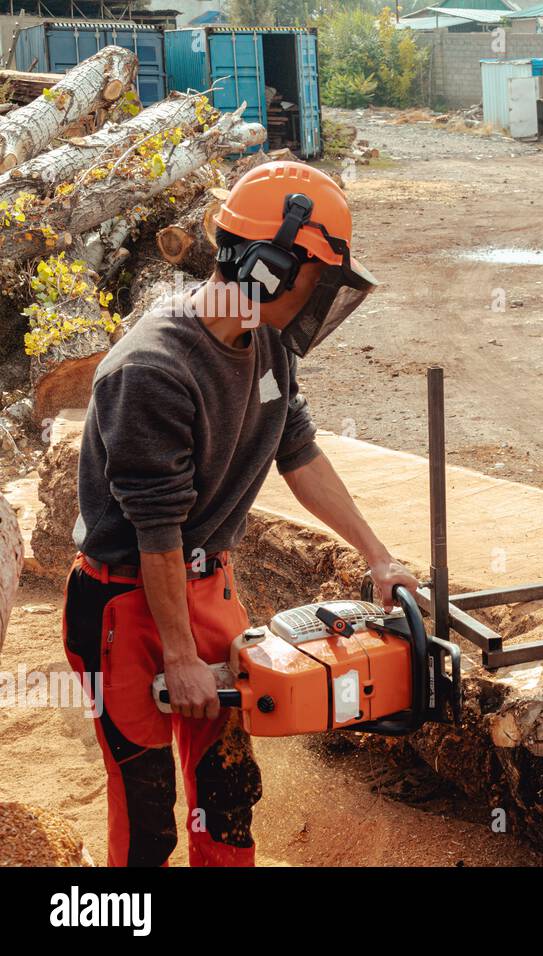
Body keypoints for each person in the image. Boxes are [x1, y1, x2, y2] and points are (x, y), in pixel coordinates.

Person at [63, 160, 419, 866]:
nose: (318, 295)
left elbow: (301, 454)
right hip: (125, 605)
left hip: (207, 588)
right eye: (316, 277)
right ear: (271, 270)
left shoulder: (267, 349)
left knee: (228, 791)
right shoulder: (154, 370)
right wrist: (178, 656)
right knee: (149, 811)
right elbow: (155, 531)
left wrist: (378, 556)